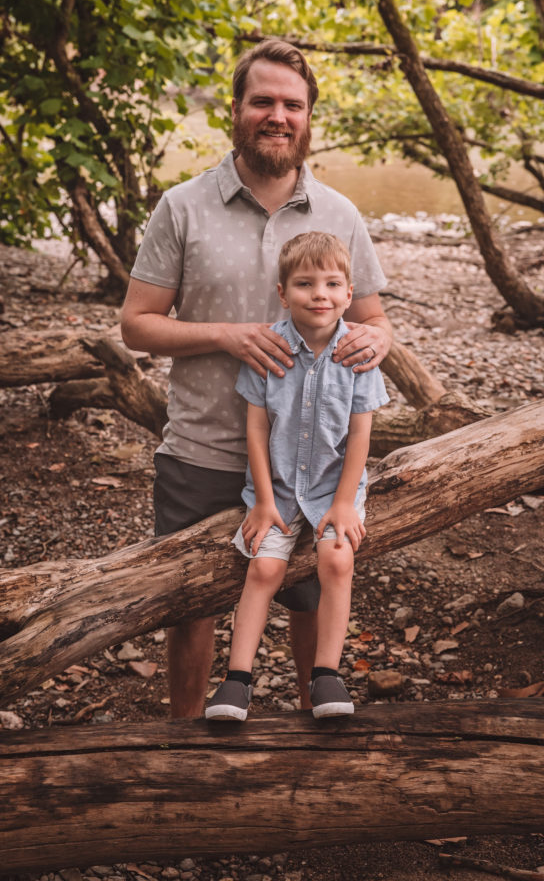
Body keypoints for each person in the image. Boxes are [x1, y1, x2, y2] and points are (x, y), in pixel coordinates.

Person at [120, 38, 392, 718]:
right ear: (235, 111)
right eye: (263, 100)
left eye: (291, 105)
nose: (278, 115)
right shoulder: (181, 206)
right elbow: (136, 326)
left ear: (308, 117)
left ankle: (311, 734)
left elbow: (374, 321)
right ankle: (187, 744)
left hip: (314, 462)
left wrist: (378, 340)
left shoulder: (339, 215)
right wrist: (225, 334)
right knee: (190, 610)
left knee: (304, 595)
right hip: (200, 450)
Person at [205, 233, 389, 721]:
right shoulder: (270, 349)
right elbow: (257, 429)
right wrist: (263, 502)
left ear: (350, 293)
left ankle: (326, 672)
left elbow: (360, 436)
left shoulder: (358, 355)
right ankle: (237, 680)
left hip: (334, 487)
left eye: (332, 284)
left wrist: (346, 502)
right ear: (284, 293)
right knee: (264, 568)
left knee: (335, 559)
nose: (320, 294)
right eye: (305, 284)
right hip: (280, 489)